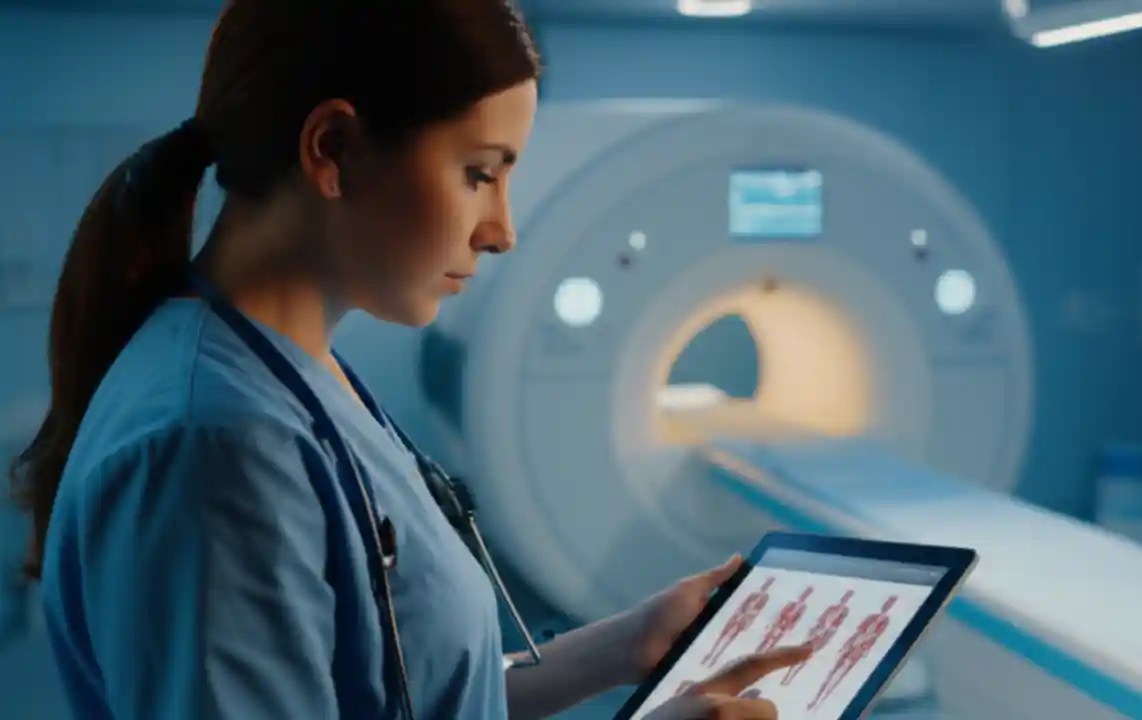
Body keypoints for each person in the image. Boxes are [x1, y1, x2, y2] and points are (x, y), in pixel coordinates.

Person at [7, 1, 811, 718]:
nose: (502, 230)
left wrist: (623, 647)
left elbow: (398, 689)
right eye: (478, 175)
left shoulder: (303, 377)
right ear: (334, 150)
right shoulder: (215, 444)